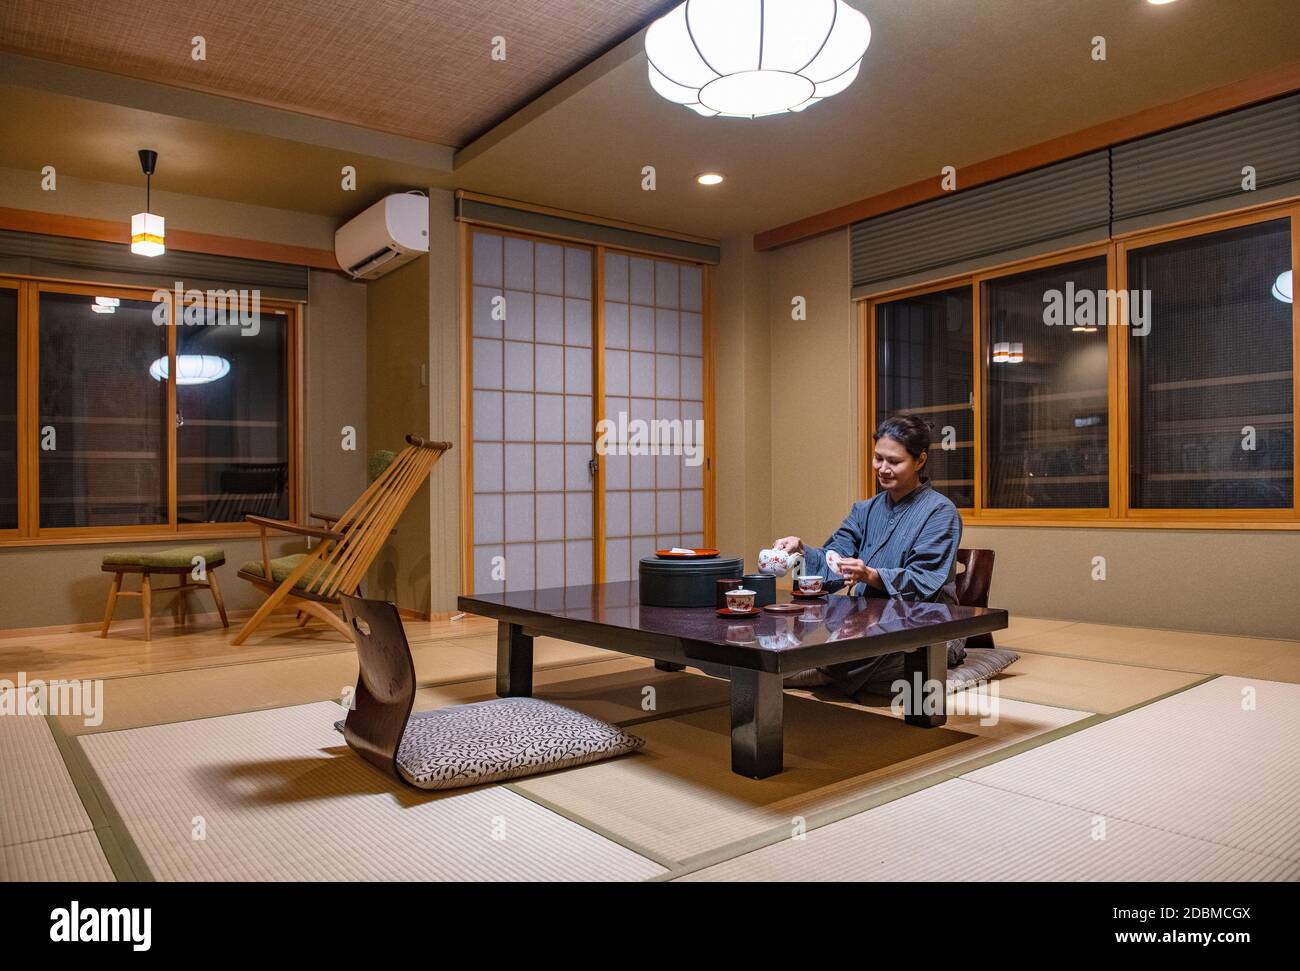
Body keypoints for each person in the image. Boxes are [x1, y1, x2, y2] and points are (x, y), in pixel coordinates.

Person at [772, 414, 965, 697]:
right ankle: (817, 667)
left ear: (920, 461)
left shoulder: (940, 512)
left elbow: (924, 580)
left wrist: (871, 575)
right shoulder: (865, 510)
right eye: (878, 458)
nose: (883, 469)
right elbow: (834, 556)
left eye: (894, 461)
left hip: (927, 626)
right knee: (803, 630)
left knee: (860, 653)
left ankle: (818, 673)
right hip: (867, 620)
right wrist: (802, 549)